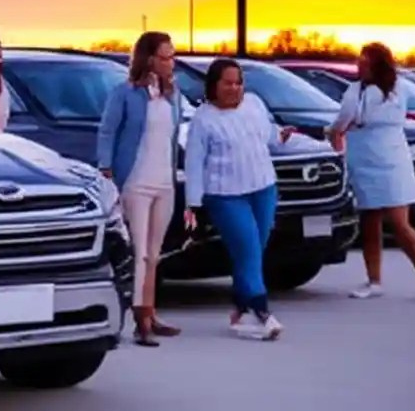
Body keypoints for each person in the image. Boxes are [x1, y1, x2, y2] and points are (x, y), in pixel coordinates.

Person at [183, 58, 294, 341]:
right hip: (225, 195)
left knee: (256, 248)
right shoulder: (203, 119)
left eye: (238, 83)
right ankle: (262, 312)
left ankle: (241, 307)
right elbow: (194, 165)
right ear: (214, 86)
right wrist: (193, 205)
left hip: (263, 187)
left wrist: (282, 136)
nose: (234, 88)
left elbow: (268, 136)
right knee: (247, 250)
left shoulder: (254, 104)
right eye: (228, 83)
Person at [327, 42, 415, 301]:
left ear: (377, 65)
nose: (359, 67)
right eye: (359, 62)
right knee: (370, 221)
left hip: (391, 156)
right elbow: (343, 119)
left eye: (365, 63)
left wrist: (344, 127)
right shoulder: (354, 90)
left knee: (400, 223)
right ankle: (374, 280)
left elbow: (368, 119)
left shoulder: (399, 88)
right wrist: (334, 133)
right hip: (363, 157)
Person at [97, 31, 184, 347]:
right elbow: (107, 131)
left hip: (164, 181)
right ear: (149, 59)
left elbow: (175, 136)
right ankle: (139, 319)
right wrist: (106, 168)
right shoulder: (125, 93)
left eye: (172, 56)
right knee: (141, 252)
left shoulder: (173, 95)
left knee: (155, 254)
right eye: (165, 57)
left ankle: (150, 311)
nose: (171, 63)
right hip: (136, 180)